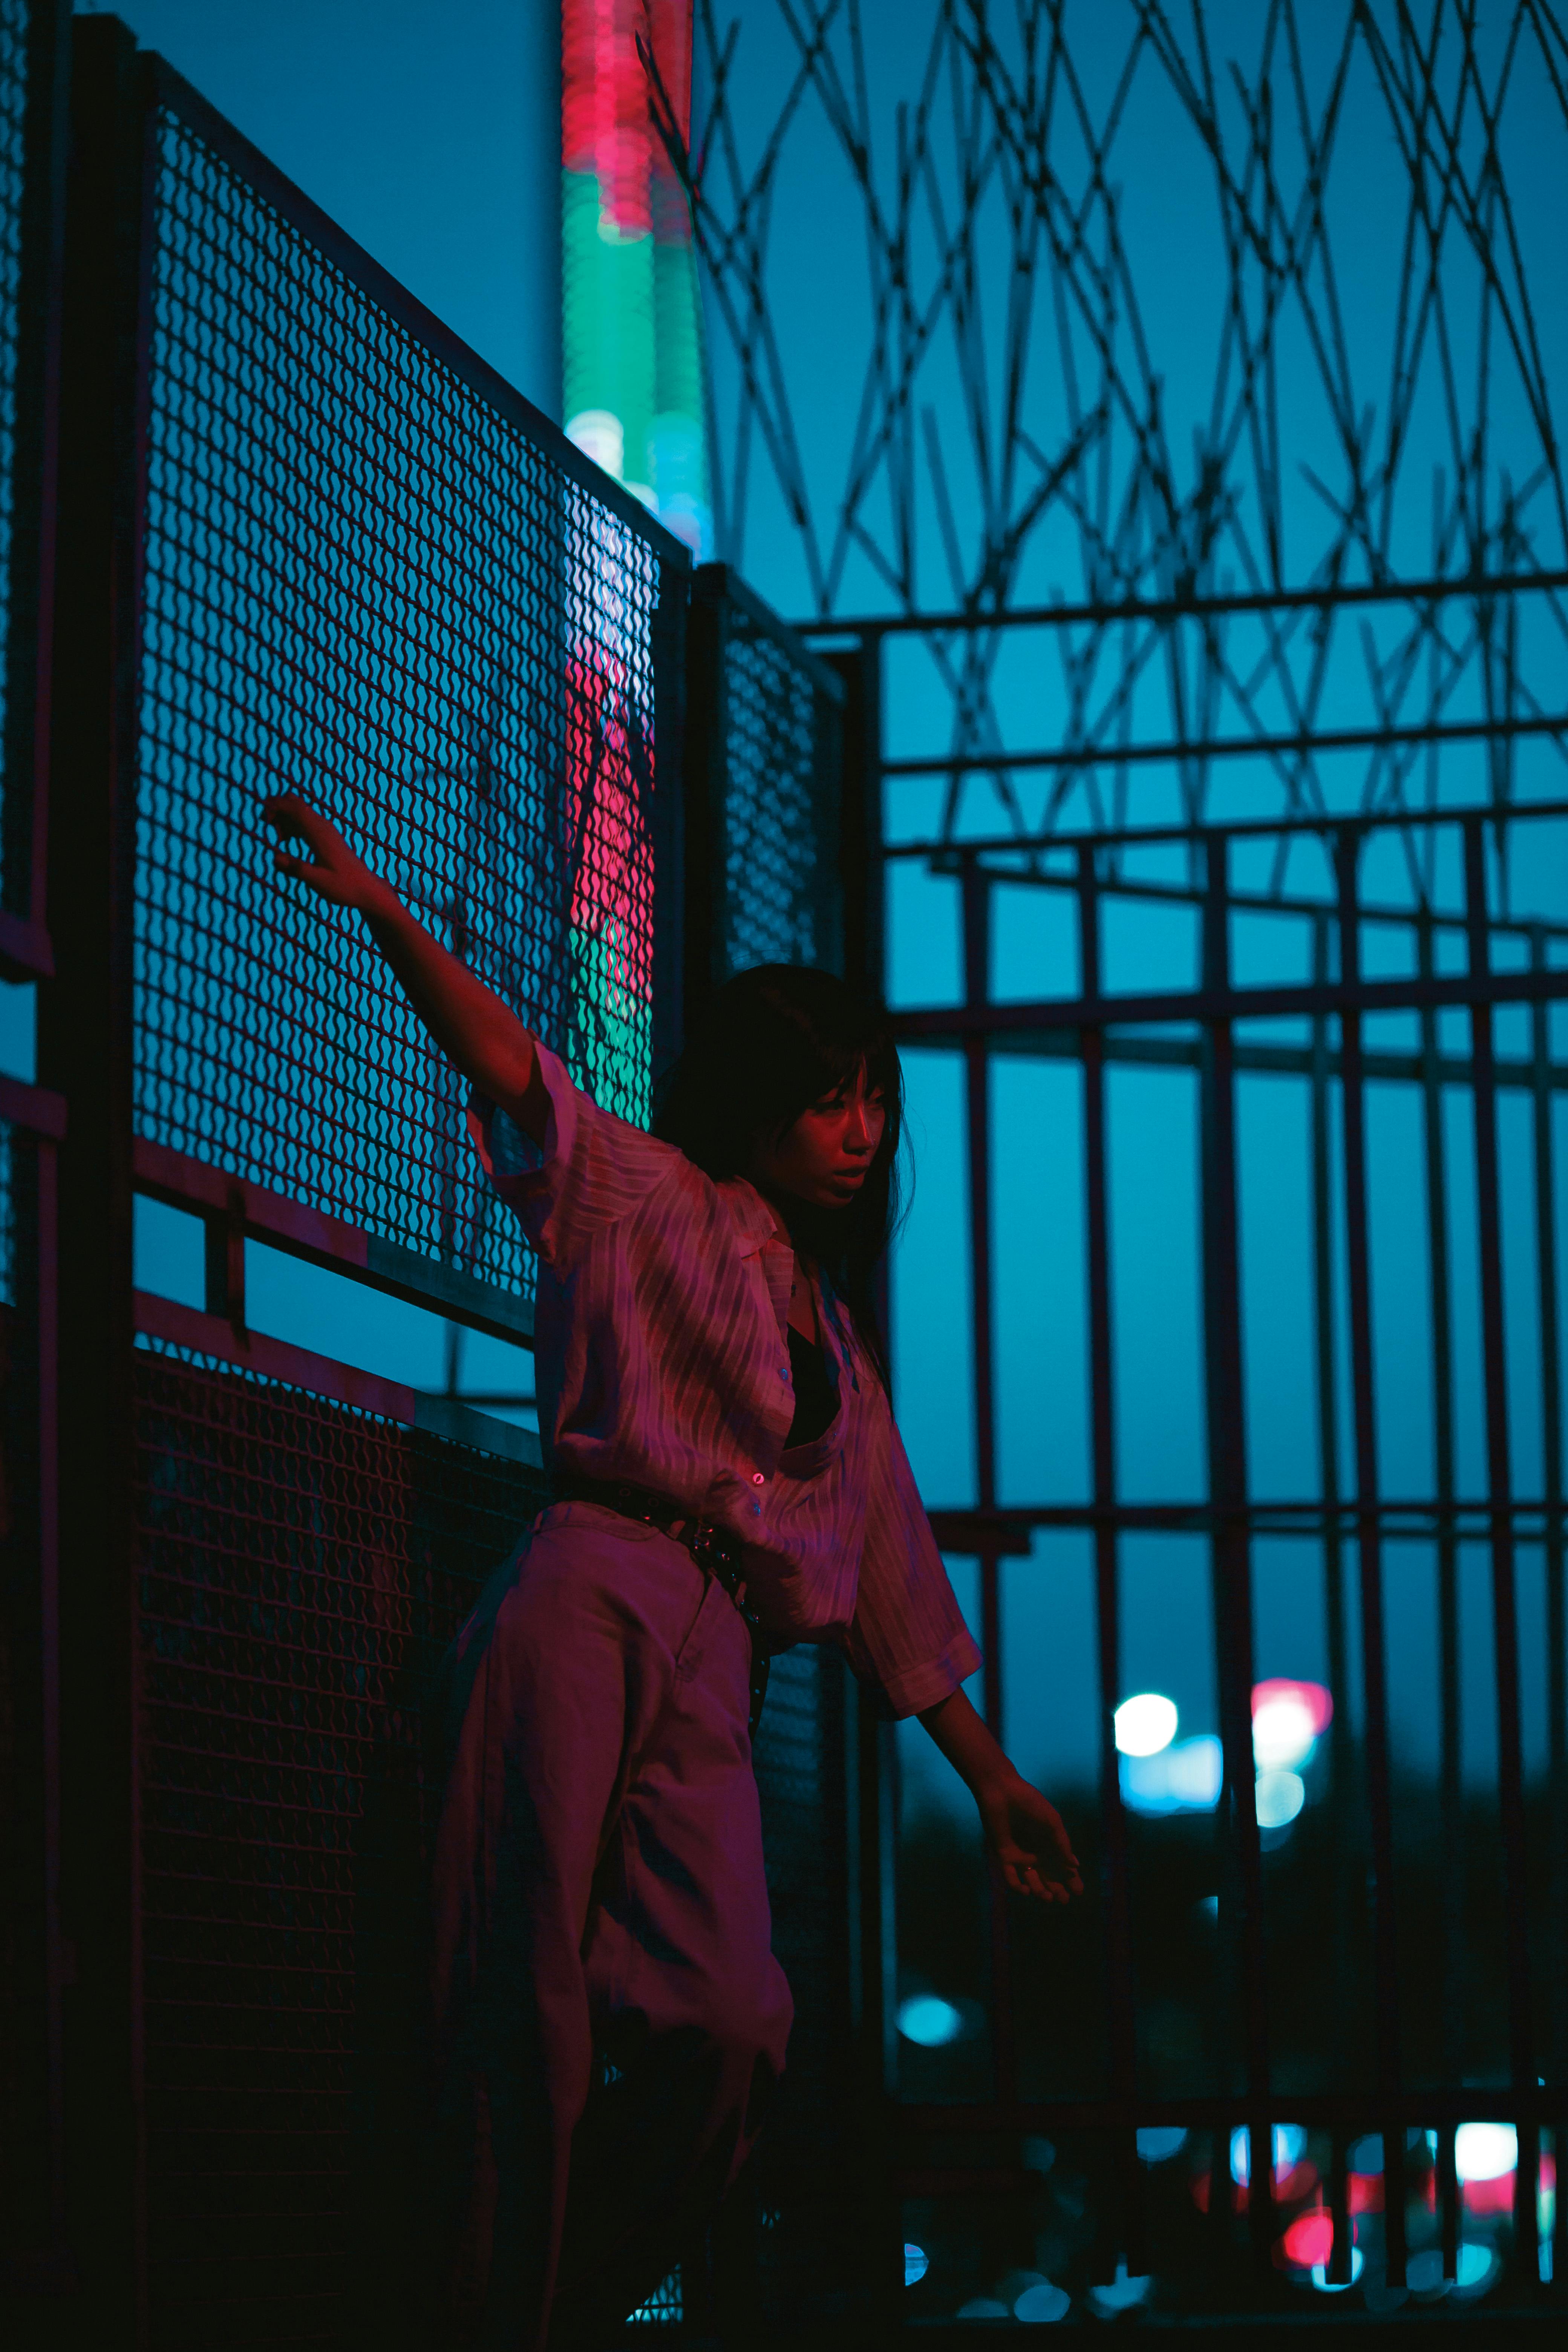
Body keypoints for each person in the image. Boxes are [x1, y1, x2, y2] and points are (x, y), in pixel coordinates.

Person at [264, 793, 1082, 2352]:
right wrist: (380, 905)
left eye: (876, 1104)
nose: (865, 1133)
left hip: (719, 1656)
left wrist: (987, 1778)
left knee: (730, 2022)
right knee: (523, 2003)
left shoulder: (836, 1346)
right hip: (593, 1580)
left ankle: (546, 2308)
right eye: (836, 1101)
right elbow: (510, 1064)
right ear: (764, 1103)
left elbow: (891, 1569)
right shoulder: (644, 1195)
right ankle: (483, 2311)